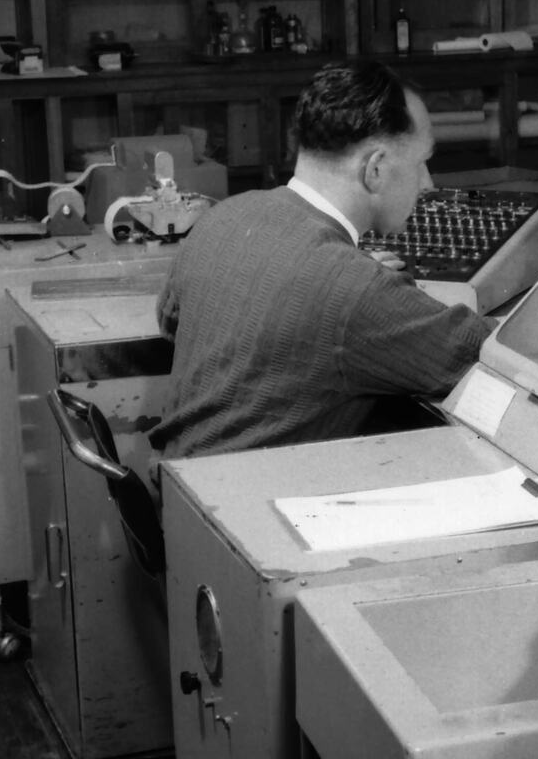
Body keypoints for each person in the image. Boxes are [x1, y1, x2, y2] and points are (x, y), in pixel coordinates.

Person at [150, 60, 491, 460]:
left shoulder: (222, 216)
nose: (428, 183)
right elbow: (485, 352)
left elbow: (172, 321)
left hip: (181, 493)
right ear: (375, 168)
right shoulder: (356, 288)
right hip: (245, 508)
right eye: (420, 163)